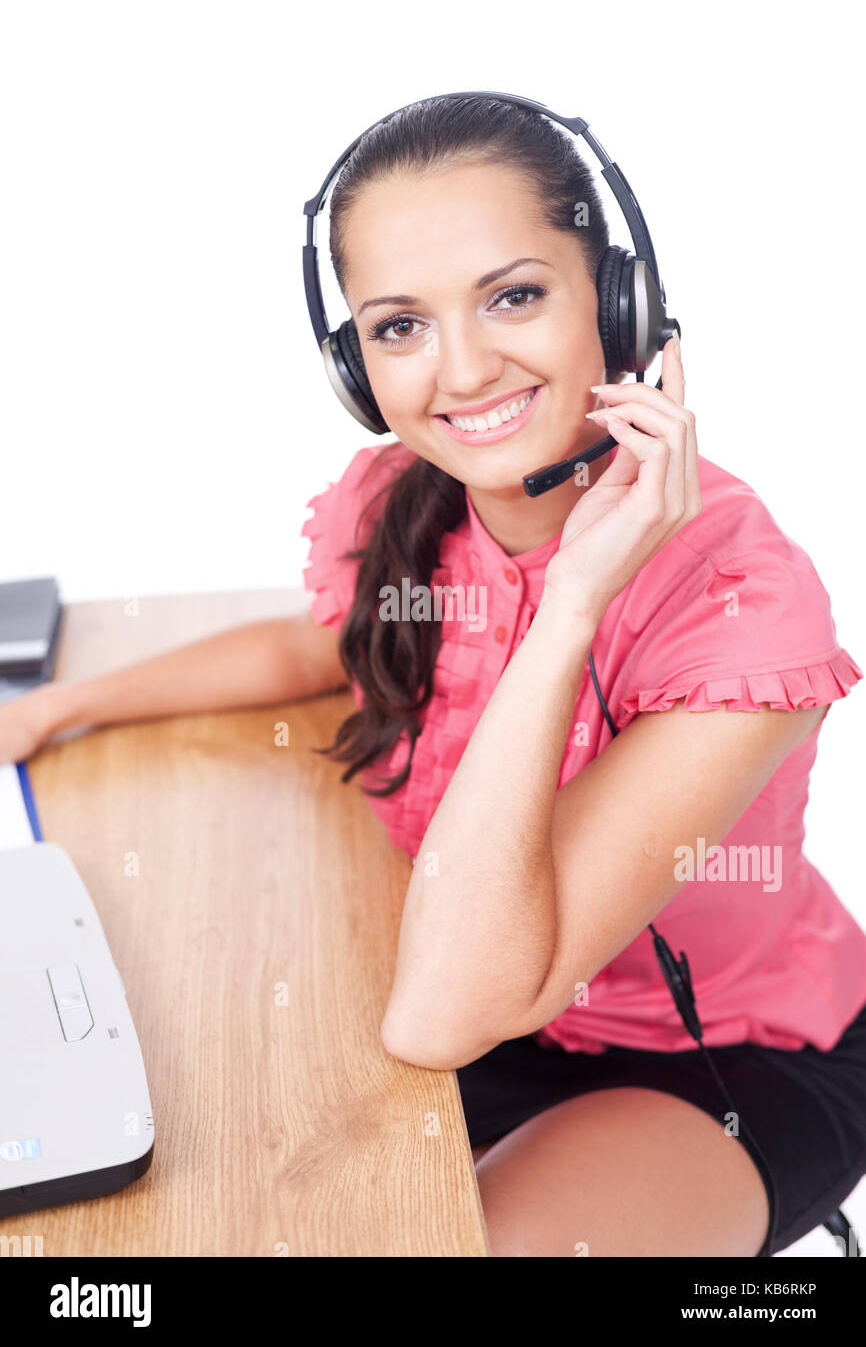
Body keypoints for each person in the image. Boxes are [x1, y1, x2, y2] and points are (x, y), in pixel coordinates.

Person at [4, 95, 865, 1258]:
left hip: (708, 1060)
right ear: (354, 365)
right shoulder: (409, 508)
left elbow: (440, 1014)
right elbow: (325, 645)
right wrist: (55, 707)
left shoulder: (740, 604)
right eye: (399, 326)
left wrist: (570, 603)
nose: (459, 370)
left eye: (513, 295)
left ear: (622, 304)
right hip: (490, 998)